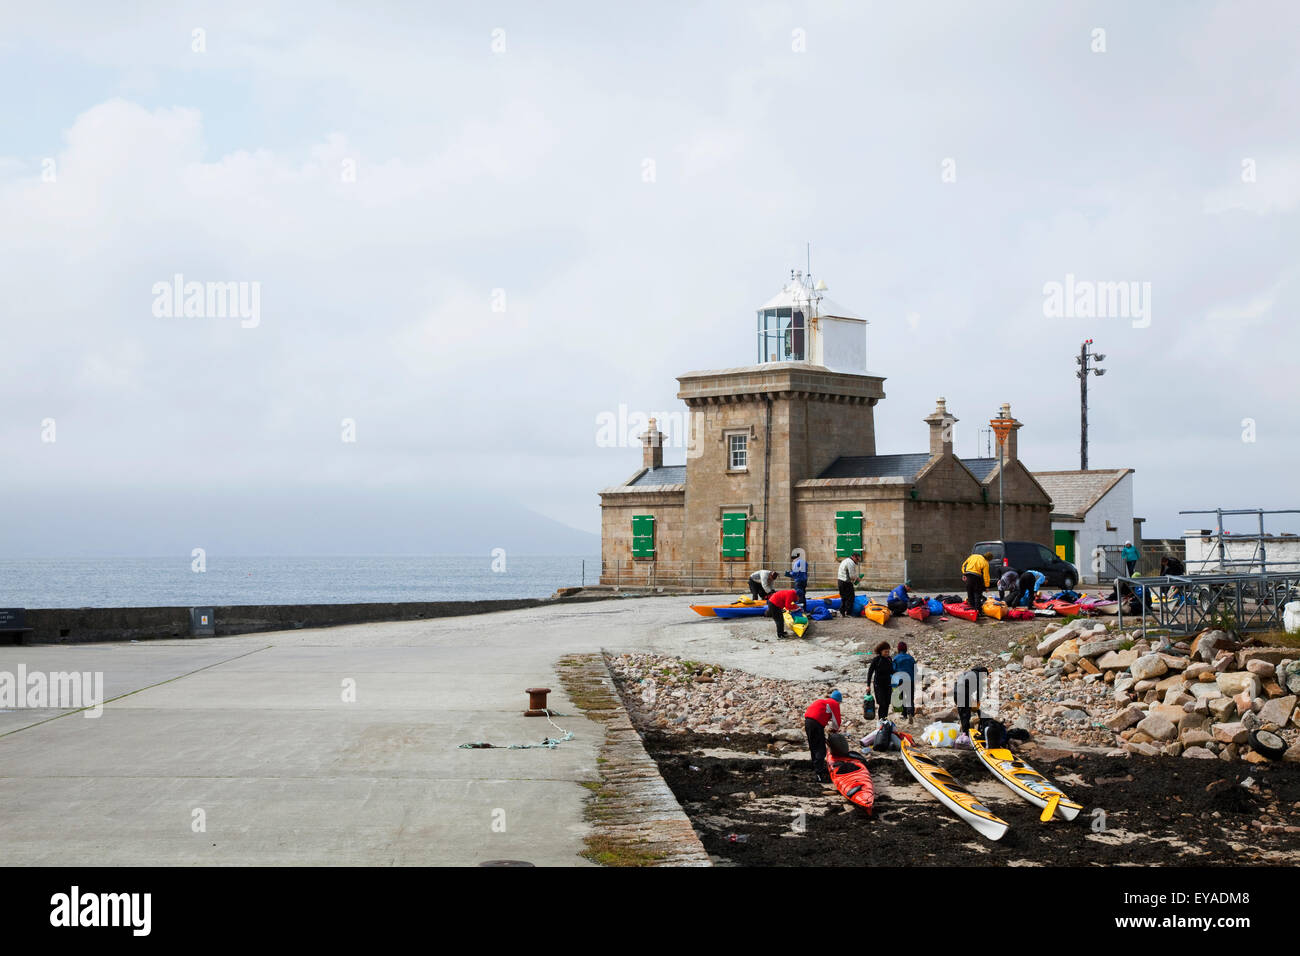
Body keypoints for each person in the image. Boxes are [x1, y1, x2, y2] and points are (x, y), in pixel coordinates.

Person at [804, 689, 843, 782]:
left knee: (813, 746)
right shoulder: (834, 703)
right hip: (816, 724)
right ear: (838, 700)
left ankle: (816, 767)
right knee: (821, 749)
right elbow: (837, 721)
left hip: (808, 722)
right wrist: (834, 730)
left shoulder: (823, 702)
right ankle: (819, 774)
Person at [953, 665, 990, 741]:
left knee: (963, 714)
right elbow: (979, 692)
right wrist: (977, 702)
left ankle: (963, 733)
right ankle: (965, 736)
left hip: (956, 693)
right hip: (963, 694)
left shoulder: (966, 673)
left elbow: (959, 683)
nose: (984, 678)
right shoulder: (978, 676)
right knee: (966, 715)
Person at [865, 642, 893, 720]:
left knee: (887, 703)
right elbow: (870, 673)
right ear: (880, 651)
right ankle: (881, 720)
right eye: (885, 651)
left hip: (888, 684)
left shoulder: (889, 659)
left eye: (888, 651)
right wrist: (868, 685)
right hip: (878, 685)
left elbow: (892, 671)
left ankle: (884, 719)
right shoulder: (876, 660)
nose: (887, 653)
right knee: (882, 703)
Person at [892, 641, 917, 720]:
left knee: (902, 697)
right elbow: (915, 669)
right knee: (910, 697)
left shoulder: (896, 658)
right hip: (910, 679)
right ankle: (911, 713)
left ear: (898, 649)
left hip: (900, 680)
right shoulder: (910, 658)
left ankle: (905, 714)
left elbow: (893, 670)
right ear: (906, 649)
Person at [837, 551, 862, 618]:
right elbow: (852, 576)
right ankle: (848, 613)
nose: (857, 561)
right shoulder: (851, 563)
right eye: (857, 559)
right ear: (854, 557)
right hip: (846, 582)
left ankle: (842, 612)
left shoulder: (845, 560)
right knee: (850, 598)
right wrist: (857, 579)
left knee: (843, 597)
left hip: (840, 581)